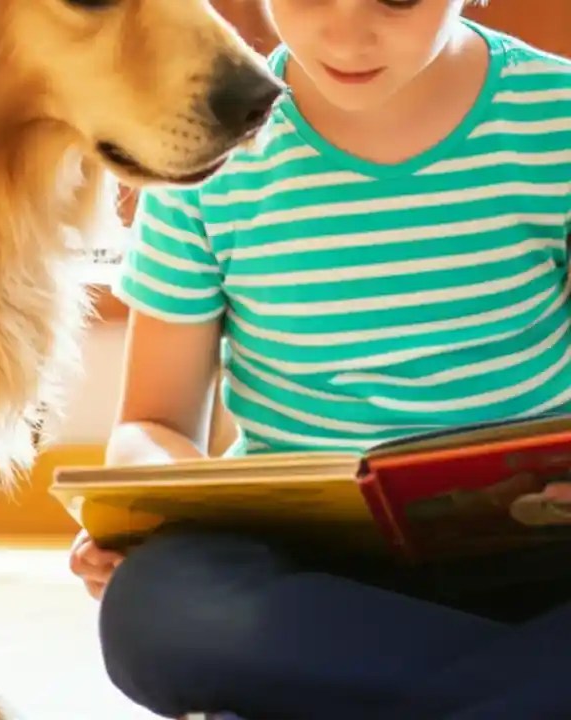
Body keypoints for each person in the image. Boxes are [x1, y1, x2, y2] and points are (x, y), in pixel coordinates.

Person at [70, 0, 571, 718]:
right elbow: (149, 424)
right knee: (154, 608)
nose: (345, 33)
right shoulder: (209, 138)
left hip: (536, 550)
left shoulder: (557, 122)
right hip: (309, 575)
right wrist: (143, 508)